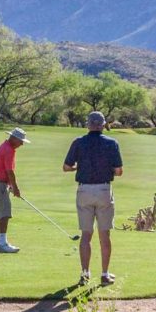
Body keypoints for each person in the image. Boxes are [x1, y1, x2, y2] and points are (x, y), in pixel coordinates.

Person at [62, 111, 123, 286]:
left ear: (88, 125)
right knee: (104, 235)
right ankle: (104, 274)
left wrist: (78, 168)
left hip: (84, 190)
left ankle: (85, 274)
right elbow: (119, 171)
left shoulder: (78, 142)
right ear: (103, 125)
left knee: (86, 235)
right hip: (103, 190)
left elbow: (66, 167)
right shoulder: (111, 143)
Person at [0, 127, 27, 253]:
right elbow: (10, 171)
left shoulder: (6, 147)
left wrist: (10, 185)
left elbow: (6, 170)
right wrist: (15, 188)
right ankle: (2, 244)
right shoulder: (8, 150)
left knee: (3, 214)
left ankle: (0, 242)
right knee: (4, 214)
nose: (22, 144)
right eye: (21, 141)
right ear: (14, 138)